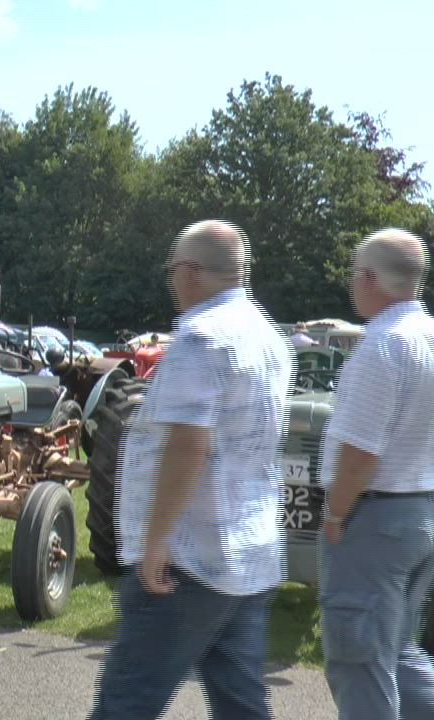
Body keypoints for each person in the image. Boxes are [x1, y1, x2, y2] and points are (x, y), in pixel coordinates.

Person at [88, 220, 295, 719]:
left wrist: (157, 542)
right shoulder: (268, 338)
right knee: (241, 705)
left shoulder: (200, 337)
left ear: (193, 271)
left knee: (126, 702)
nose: (172, 279)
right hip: (247, 554)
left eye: (174, 268)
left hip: (190, 557)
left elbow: (188, 444)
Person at [317, 228, 434, 719]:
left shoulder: (383, 346)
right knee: (399, 654)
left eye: (355, 273)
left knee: (359, 661)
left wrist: (336, 514)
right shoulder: (428, 336)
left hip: (374, 518)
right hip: (419, 511)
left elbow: (361, 452)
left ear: (370, 277)